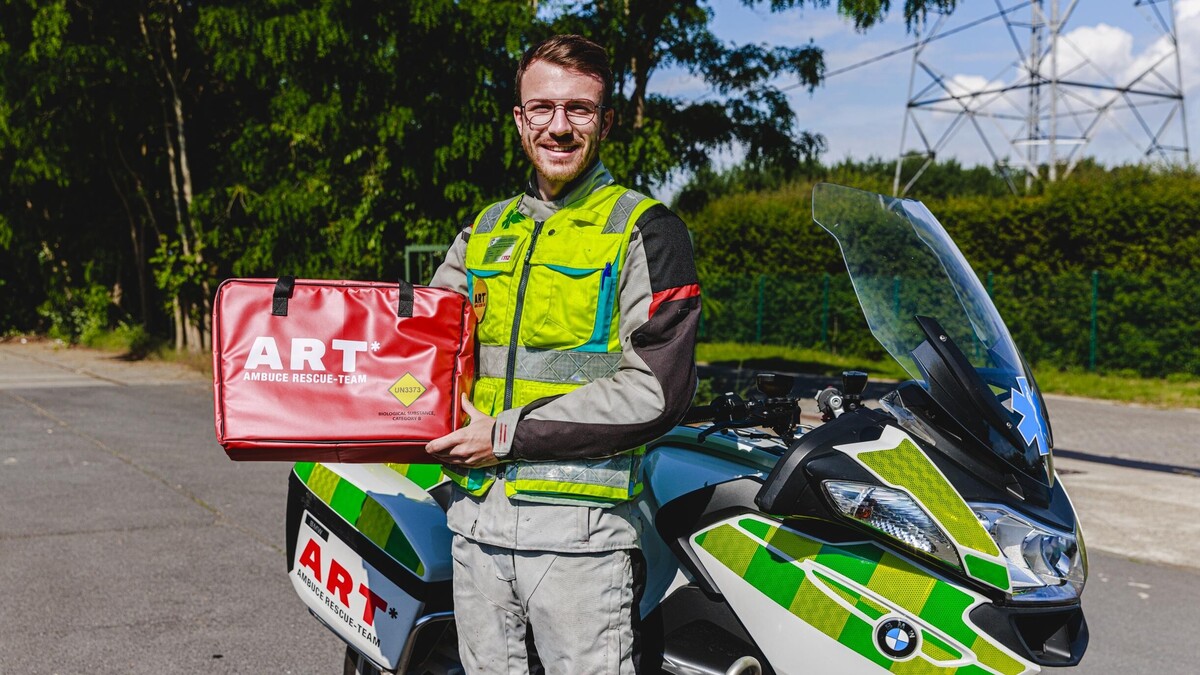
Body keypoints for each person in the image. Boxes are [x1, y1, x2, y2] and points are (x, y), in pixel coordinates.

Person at [425, 34, 701, 675]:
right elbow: (424, 359)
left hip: (579, 540)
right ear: (520, 120)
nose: (559, 126)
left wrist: (507, 435)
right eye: (541, 109)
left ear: (604, 121)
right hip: (476, 527)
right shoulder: (484, 231)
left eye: (578, 109)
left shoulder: (647, 230)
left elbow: (657, 389)